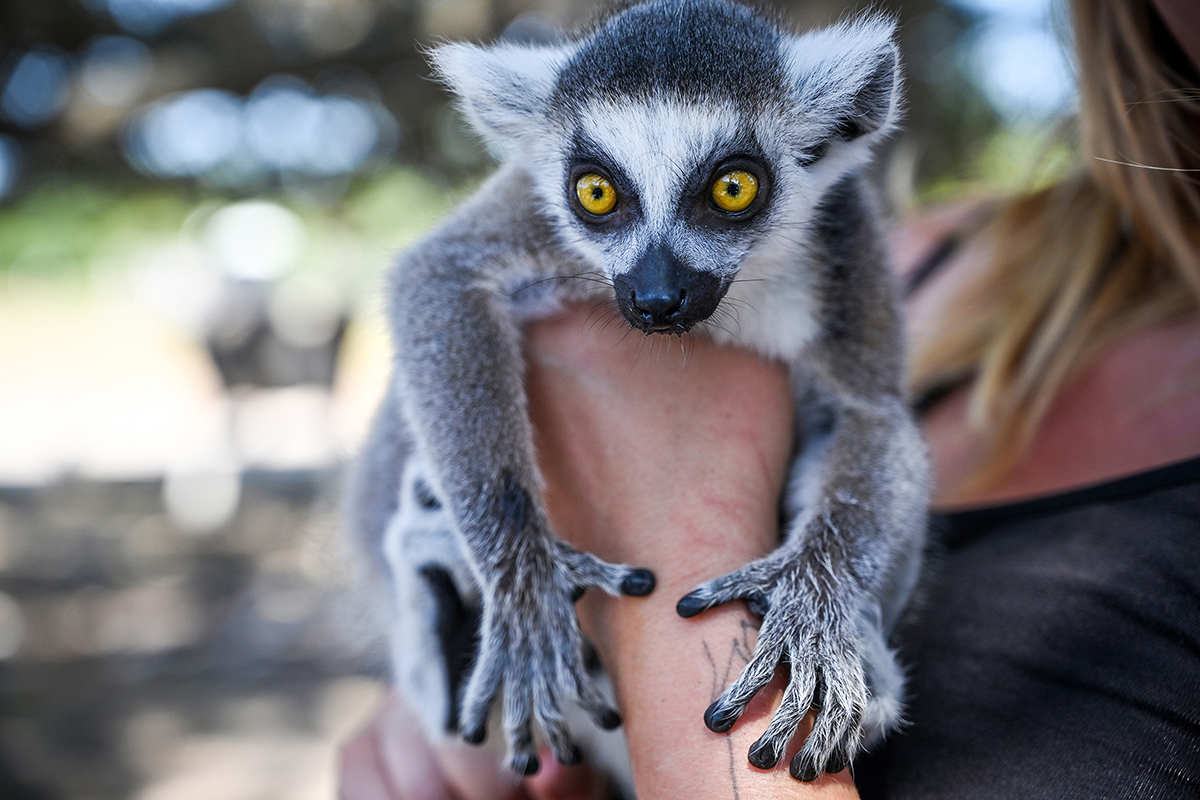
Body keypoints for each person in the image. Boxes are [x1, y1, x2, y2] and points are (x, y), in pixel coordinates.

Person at [340, 0, 1200, 796]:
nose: (658, 274)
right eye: (603, 198)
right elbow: (434, 279)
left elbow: (871, 422)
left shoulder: (846, 243)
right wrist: (512, 564)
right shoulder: (951, 256)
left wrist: (791, 577)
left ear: (836, 130)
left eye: (728, 192)